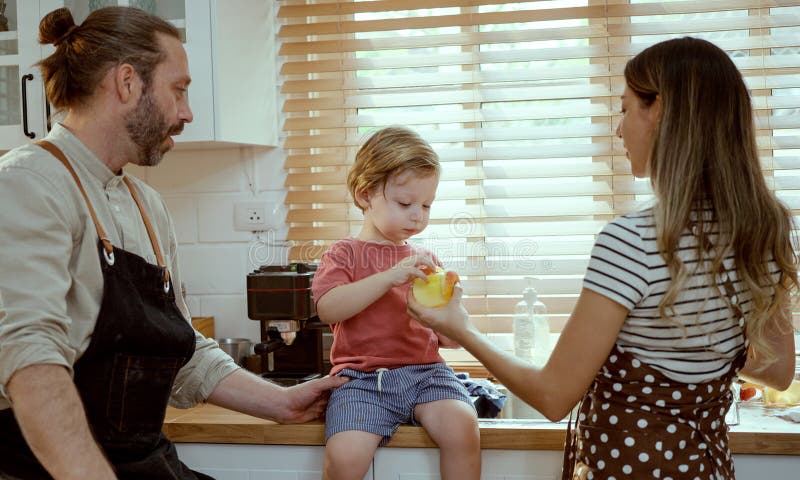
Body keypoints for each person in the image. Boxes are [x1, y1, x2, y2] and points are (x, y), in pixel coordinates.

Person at [408, 37, 797, 480]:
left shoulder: (634, 241)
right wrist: (692, 339)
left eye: (626, 108)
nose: (618, 129)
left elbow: (553, 397)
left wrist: (460, 327)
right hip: (705, 469)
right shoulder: (763, 232)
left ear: (661, 112)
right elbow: (778, 370)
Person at [0, 7, 347, 480]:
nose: (187, 112)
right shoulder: (27, 182)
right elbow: (29, 356)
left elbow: (182, 351)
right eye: (179, 90)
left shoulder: (147, 204)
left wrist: (282, 403)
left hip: (143, 462)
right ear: (127, 83)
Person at [312, 126, 481, 480]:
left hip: (427, 374)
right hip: (362, 380)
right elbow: (329, 307)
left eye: (426, 205)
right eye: (405, 204)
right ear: (364, 195)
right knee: (344, 457)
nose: (418, 215)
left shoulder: (424, 259)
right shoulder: (344, 253)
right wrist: (390, 276)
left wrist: (452, 316)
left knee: (463, 427)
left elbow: (447, 339)